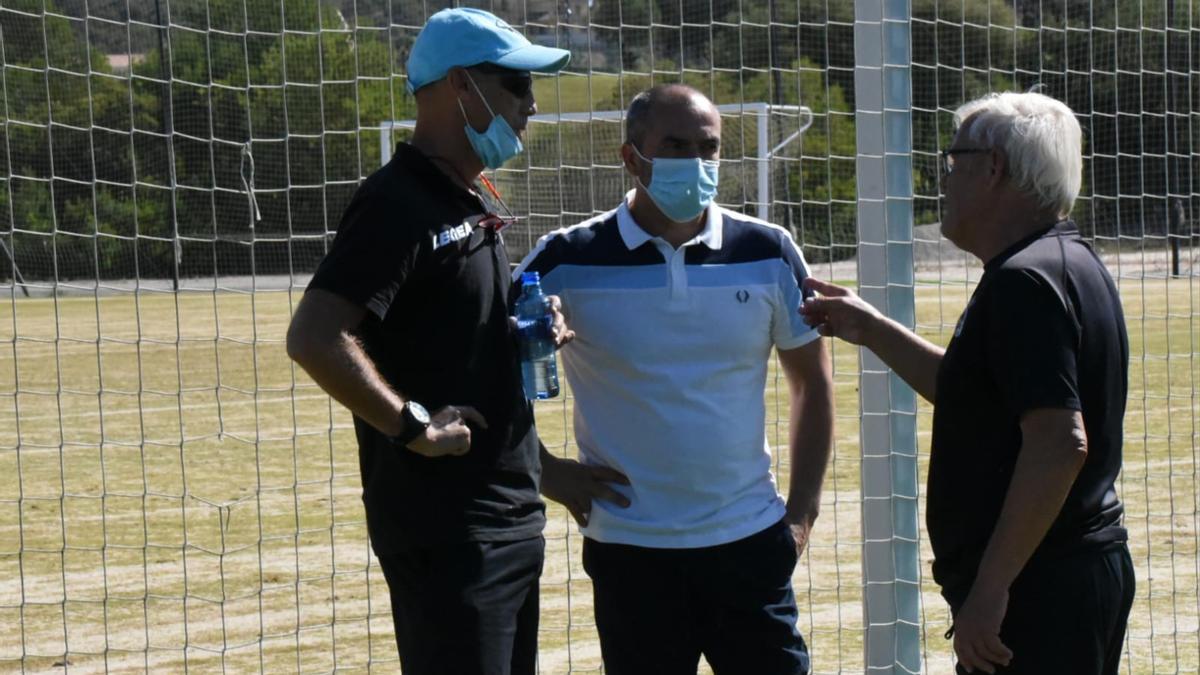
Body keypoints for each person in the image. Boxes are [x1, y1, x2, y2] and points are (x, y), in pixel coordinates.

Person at [800, 92, 1134, 674]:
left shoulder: (1024, 282)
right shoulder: (1062, 260)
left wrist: (991, 589)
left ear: (994, 169)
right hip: (1068, 575)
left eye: (953, 161)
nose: (943, 179)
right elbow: (982, 397)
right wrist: (874, 329)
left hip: (1040, 587)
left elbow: (1059, 445)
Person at [284, 8, 572, 675]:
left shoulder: (468, 200)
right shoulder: (397, 201)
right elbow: (315, 336)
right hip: (448, 532)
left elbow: (458, 344)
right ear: (459, 86)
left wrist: (530, 329)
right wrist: (412, 424)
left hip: (506, 523)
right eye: (516, 85)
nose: (530, 105)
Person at [513, 83, 834, 675]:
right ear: (632, 157)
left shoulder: (769, 251)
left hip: (750, 544)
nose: (696, 161)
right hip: (631, 552)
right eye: (676, 145)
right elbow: (482, 369)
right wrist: (547, 470)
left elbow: (812, 385)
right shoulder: (564, 259)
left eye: (708, 148)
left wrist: (801, 514)